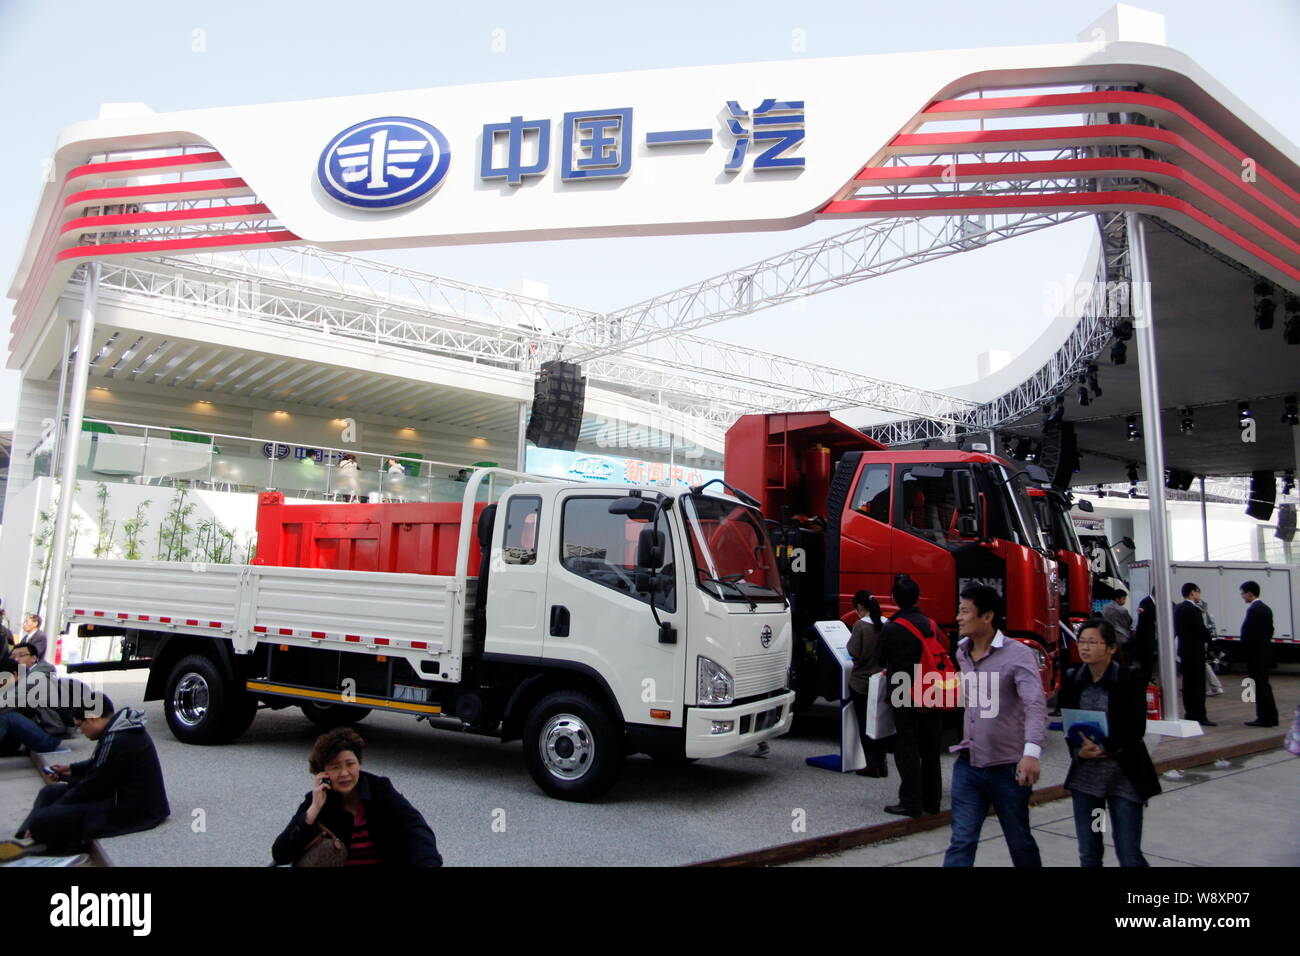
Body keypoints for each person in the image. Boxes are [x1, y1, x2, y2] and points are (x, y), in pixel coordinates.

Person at [943, 585, 1047, 868]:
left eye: (965, 611)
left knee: (1019, 841)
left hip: (1008, 769)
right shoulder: (962, 653)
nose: (958, 618)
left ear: (987, 616)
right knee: (961, 841)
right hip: (968, 765)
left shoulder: (1018, 655)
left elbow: (1035, 705)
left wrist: (1031, 753)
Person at [1, 691, 170, 860]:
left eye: (80, 725)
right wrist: (71, 770)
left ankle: (39, 834)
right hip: (118, 796)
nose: (81, 731)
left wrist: (56, 809)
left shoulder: (118, 739)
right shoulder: (118, 730)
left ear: (93, 719)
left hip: (135, 811)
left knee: (48, 817)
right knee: (49, 792)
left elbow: (93, 785)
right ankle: (28, 836)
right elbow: (100, 764)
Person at [1059, 618, 1161, 867]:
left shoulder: (1128, 678)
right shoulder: (1073, 679)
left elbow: (1136, 727)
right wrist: (1078, 750)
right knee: (1089, 852)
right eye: (1081, 642)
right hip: (1087, 779)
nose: (1085, 648)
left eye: (1092, 642)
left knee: (1128, 853)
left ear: (1111, 648)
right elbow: (1068, 724)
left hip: (1123, 776)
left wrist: (1106, 747)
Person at [272, 727, 442, 866]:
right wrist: (313, 811)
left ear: (359, 764)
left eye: (350, 764)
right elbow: (280, 855)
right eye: (335, 767)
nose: (344, 773)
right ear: (323, 772)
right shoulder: (316, 799)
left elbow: (416, 828)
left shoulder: (380, 789)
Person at [877, 574, 944, 817]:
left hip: (904, 689)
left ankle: (910, 801)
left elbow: (879, 658)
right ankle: (933, 801)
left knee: (907, 747)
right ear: (918, 598)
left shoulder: (893, 627)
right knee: (931, 749)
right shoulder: (932, 625)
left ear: (894, 599)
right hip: (932, 688)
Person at [0, 642, 75, 756]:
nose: (16, 659)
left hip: (49, 739)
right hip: (39, 731)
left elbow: (6, 701)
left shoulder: (35, 678)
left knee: (6, 717)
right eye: (13, 656)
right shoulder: (24, 677)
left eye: (21, 655)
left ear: (34, 658)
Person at [846, 588, 889, 778]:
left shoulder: (860, 626)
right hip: (882, 680)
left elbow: (853, 651)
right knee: (880, 723)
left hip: (862, 681)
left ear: (860, 607)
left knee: (865, 725)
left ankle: (871, 764)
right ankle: (882, 762)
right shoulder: (886, 623)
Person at [1173, 583, 1214, 726]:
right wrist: (1210, 640)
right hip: (1195, 652)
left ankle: (1189, 713)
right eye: (1198, 592)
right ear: (1192, 593)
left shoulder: (1178, 608)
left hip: (1183, 651)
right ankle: (1200, 715)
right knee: (1198, 685)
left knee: (1187, 684)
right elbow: (1201, 630)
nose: (1199, 595)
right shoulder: (1194, 610)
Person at [1239, 581, 1278, 727]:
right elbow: (1270, 630)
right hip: (1264, 652)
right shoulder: (1266, 608)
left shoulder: (1253, 610)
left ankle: (1264, 718)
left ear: (1249, 593)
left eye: (1243, 593)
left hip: (1255, 654)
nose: (1242, 597)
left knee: (1259, 686)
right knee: (1265, 685)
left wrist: (1246, 649)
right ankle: (1271, 716)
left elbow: (1248, 633)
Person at [1195, 596, 1224, 697]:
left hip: (1199, 641)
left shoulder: (1197, 611)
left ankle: (1215, 686)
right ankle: (1213, 686)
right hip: (1204, 640)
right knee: (1202, 664)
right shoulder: (1205, 611)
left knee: (1202, 664)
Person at [1132, 594, 1158, 687]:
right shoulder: (1146, 602)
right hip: (1145, 638)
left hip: (1149, 636)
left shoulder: (1150, 602)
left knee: (1149, 661)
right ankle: (1145, 682)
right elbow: (1143, 612)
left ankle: (1147, 680)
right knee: (1147, 660)